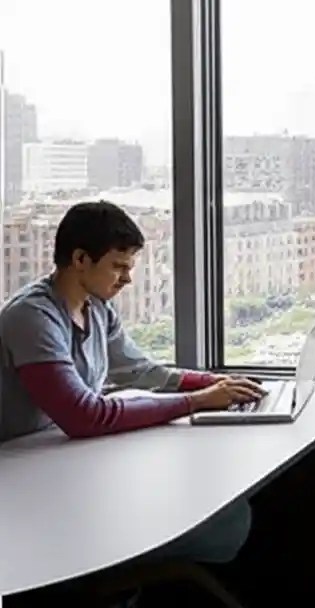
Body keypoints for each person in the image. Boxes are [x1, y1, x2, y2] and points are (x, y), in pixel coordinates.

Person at [0, 200, 264, 568]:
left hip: (56, 461)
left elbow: (140, 371)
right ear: (80, 259)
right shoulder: (32, 318)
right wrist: (197, 401)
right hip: (16, 477)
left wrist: (214, 382)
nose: (127, 279)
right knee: (224, 526)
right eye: (118, 266)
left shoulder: (97, 307)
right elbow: (85, 416)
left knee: (227, 516)